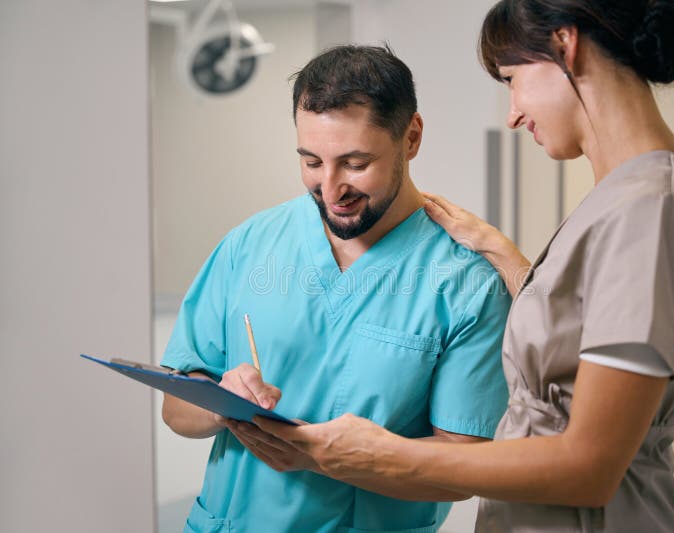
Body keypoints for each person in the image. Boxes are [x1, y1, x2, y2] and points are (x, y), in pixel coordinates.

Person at [245, 1, 674, 531]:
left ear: (565, 46)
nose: (513, 112)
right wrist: (509, 259)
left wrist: (381, 455)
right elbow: (583, 339)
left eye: (511, 79)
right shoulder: (628, 197)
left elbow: (589, 465)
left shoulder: (651, 210)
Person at [160, 45, 512, 532]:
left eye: (355, 163)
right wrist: (222, 403)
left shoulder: (467, 283)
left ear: (411, 137)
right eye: (311, 161)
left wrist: (334, 459)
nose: (329, 188)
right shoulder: (249, 245)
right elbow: (177, 408)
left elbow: (462, 471)